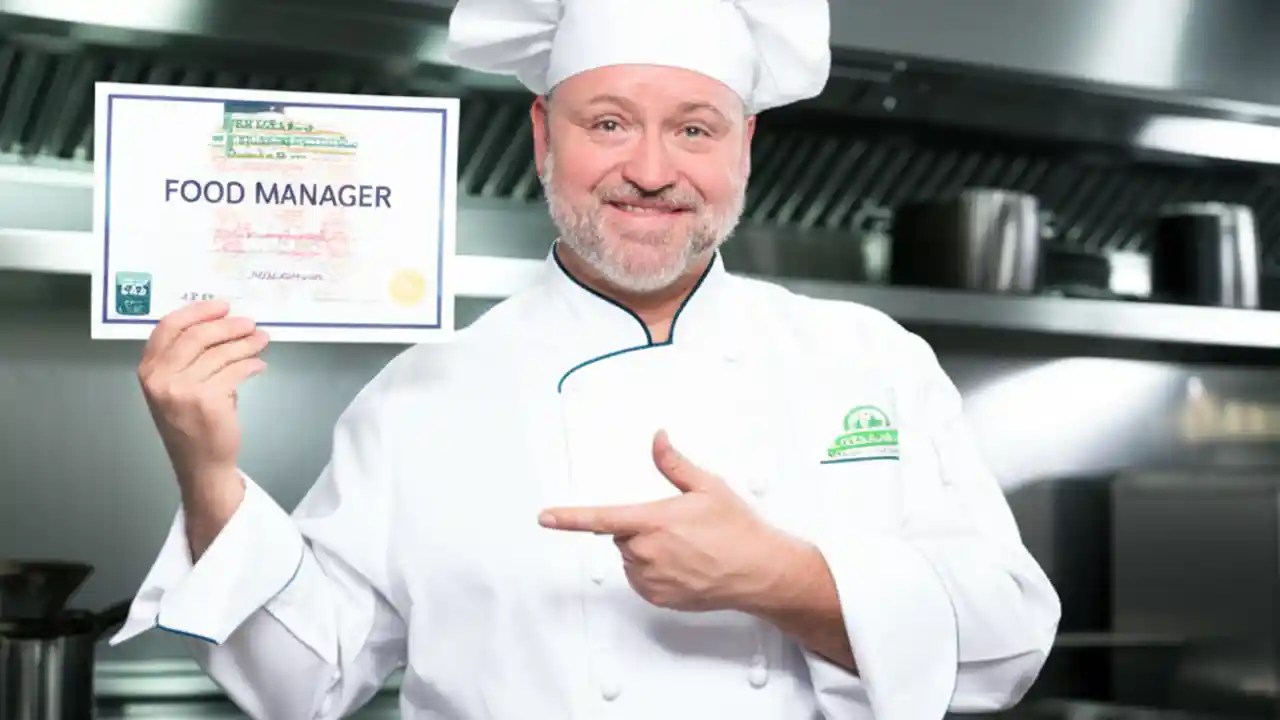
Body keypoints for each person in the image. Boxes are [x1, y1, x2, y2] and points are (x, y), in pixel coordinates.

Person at [111, 0, 1061, 718]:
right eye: (608, 122)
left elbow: (1011, 641)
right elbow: (302, 683)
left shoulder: (869, 360)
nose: (651, 169)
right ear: (539, 136)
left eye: (695, 128)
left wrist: (783, 580)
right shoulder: (421, 394)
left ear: (746, 150)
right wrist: (207, 474)